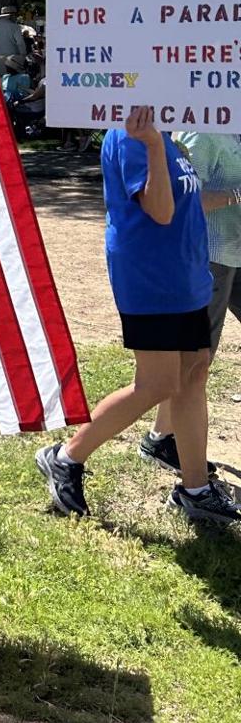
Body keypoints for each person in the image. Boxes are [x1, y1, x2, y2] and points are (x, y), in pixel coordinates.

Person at [37, 105, 239, 524]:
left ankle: (195, 491)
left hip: (185, 276)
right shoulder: (131, 134)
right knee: (157, 383)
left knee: (194, 373)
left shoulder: (169, 135)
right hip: (151, 278)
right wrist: (150, 143)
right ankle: (66, 456)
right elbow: (161, 211)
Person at [141, 129, 241, 475]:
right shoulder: (204, 132)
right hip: (211, 255)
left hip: (236, 251)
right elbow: (184, 199)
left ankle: (162, 437)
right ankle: (162, 436)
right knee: (196, 359)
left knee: (195, 359)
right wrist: (236, 195)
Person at [0, 5, 28, 78]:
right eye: (15, 15)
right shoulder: (14, 27)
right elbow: (20, 43)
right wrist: (23, 56)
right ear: (10, 16)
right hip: (11, 62)